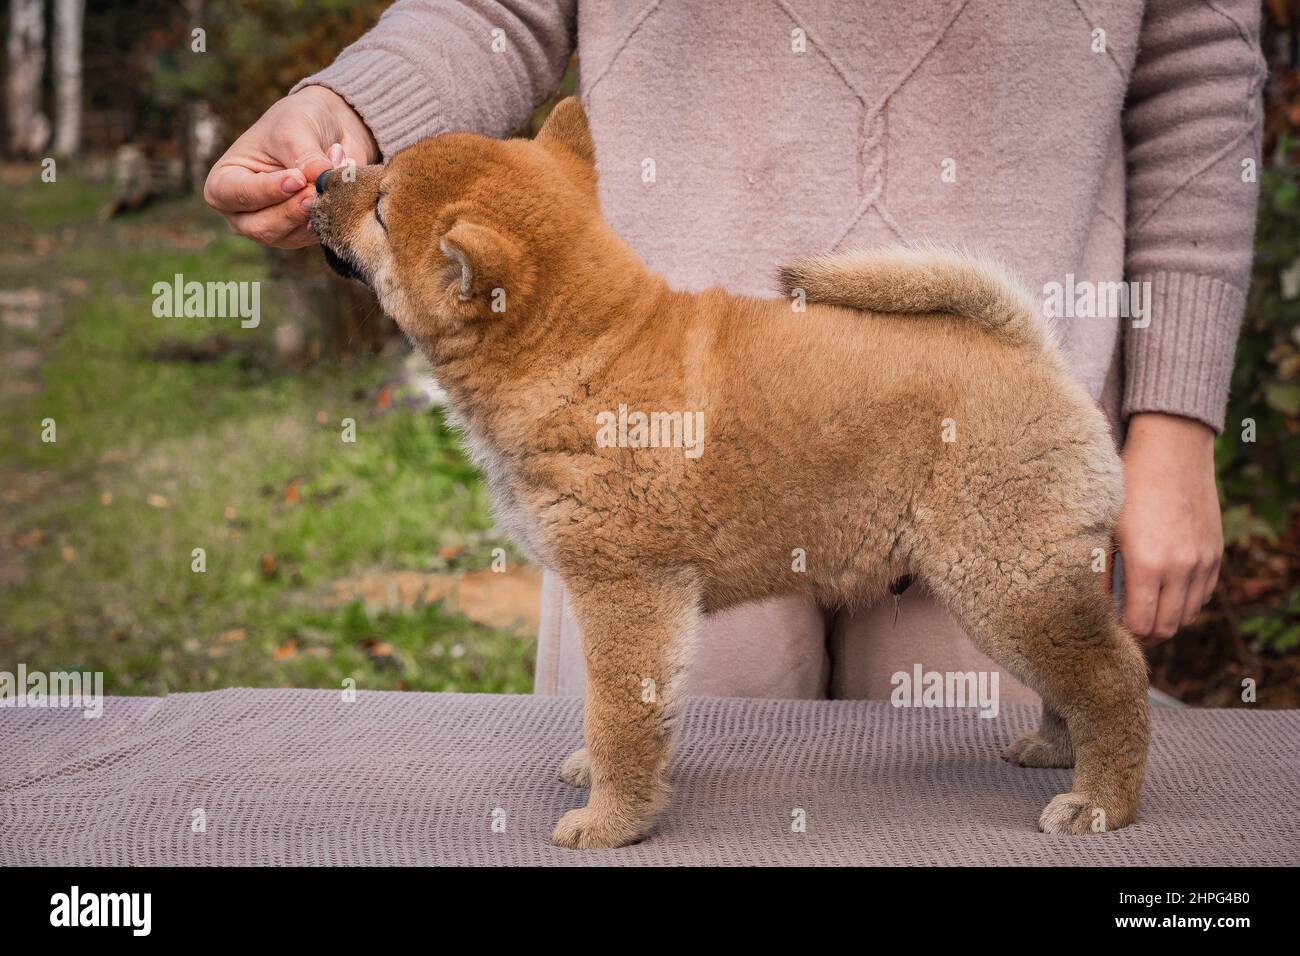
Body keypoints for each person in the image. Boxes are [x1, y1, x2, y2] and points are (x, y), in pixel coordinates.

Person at [205, 0, 1263, 702]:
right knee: (660, 823)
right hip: (651, 443)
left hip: (991, 430)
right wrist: (343, 108)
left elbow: (1196, 67)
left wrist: (1173, 422)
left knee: (992, 824)